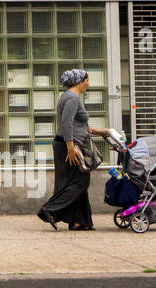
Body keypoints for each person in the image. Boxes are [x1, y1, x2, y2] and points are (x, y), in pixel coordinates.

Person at [37, 68, 113, 231]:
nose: (88, 83)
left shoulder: (68, 96)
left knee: (75, 180)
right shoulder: (72, 97)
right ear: (79, 81)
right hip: (70, 145)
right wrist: (70, 148)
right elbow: (66, 123)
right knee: (80, 181)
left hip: (67, 143)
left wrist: (100, 132)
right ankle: (50, 209)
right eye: (87, 80)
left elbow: (78, 124)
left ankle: (79, 221)